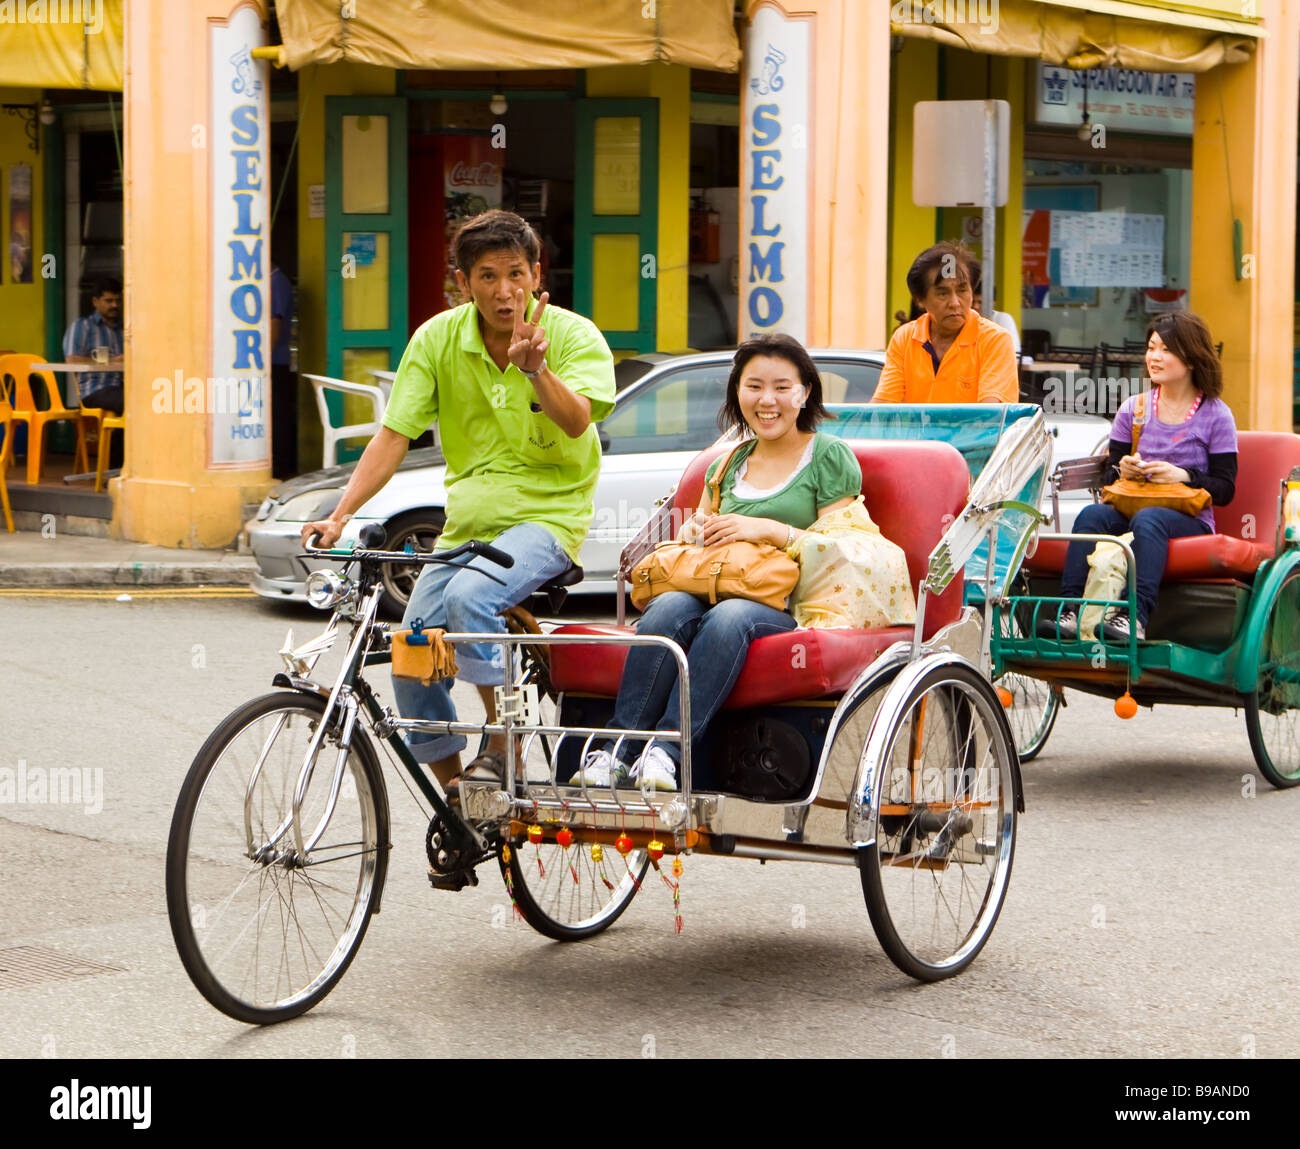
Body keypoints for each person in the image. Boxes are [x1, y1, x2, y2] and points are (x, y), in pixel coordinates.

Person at [301, 210, 616, 789]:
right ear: (463, 282)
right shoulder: (437, 339)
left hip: (547, 519)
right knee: (413, 645)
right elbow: (394, 434)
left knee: (474, 596)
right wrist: (340, 513)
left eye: (516, 274)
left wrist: (537, 370)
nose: (505, 291)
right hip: (467, 527)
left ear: (536, 274)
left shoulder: (571, 336)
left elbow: (576, 422)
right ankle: (456, 803)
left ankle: (502, 744)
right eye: (488, 276)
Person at [575, 334, 863, 792]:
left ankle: (667, 753)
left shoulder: (827, 456)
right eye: (754, 386)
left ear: (805, 392)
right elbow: (702, 527)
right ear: (737, 393)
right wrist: (695, 532)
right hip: (713, 586)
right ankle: (618, 749)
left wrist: (767, 530)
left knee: (730, 618)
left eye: (782, 387)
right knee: (667, 609)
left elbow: (843, 544)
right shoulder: (728, 462)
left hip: (788, 600)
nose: (767, 400)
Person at [1043, 312, 1238, 642]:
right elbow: (1109, 477)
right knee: (1092, 514)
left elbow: (1225, 488)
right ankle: (1071, 610)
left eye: (1166, 349)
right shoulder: (1133, 409)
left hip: (1188, 518)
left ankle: (1133, 617)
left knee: (1149, 520)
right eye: (1151, 348)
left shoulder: (1216, 414)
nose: (1155, 357)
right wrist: (1124, 469)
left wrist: (1182, 475)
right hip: (1131, 507)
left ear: (1191, 357)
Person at [874, 242, 1018, 404]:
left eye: (962, 290)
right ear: (920, 300)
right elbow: (882, 406)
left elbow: (991, 415)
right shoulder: (905, 338)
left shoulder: (994, 339)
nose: (955, 302)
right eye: (943, 293)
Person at [63, 277, 124, 414]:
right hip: (94, 390)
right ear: (95, 302)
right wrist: (111, 361)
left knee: (151, 397)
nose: (114, 305)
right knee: (129, 401)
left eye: (117, 301)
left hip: (120, 387)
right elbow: (71, 360)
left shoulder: (123, 330)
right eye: (109, 301)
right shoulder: (82, 326)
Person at [269, 262, 297, 478]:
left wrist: (261, 360)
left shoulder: (277, 281)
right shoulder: (272, 280)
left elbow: (275, 323)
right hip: (272, 361)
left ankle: (283, 467)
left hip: (275, 362)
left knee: (278, 417)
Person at [971, 263, 1021, 360]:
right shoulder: (964, 320)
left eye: (980, 302)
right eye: (973, 301)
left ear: (992, 303)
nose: (975, 306)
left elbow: (1014, 351)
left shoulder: (1002, 319)